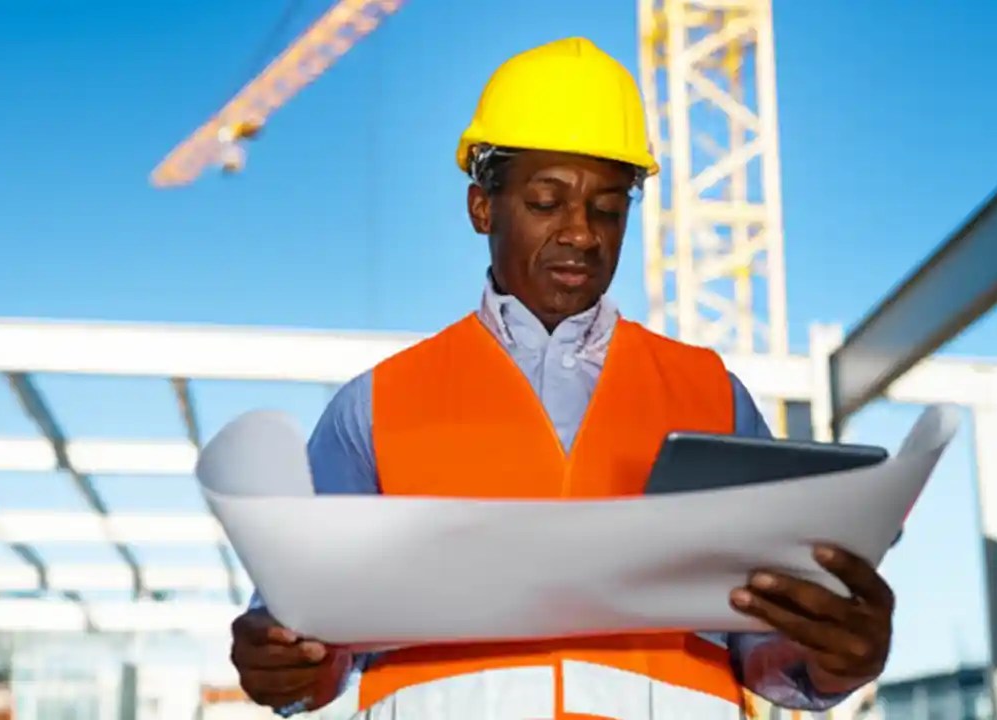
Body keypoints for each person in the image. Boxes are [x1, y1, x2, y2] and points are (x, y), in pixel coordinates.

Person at [230, 37, 894, 719]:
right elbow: (306, 639)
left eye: (608, 207)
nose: (582, 233)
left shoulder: (710, 392)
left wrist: (831, 657)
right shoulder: (372, 409)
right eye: (547, 201)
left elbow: (766, 638)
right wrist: (279, 664)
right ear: (482, 208)